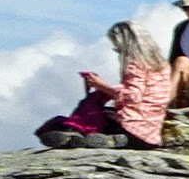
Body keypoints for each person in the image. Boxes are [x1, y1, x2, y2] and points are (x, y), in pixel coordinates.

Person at [45, 21, 174, 149]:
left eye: (117, 46)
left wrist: (100, 85)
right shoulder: (162, 66)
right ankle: (117, 140)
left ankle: (74, 134)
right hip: (151, 134)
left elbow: (133, 96)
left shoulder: (135, 64)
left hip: (130, 126)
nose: (117, 50)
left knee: (93, 112)